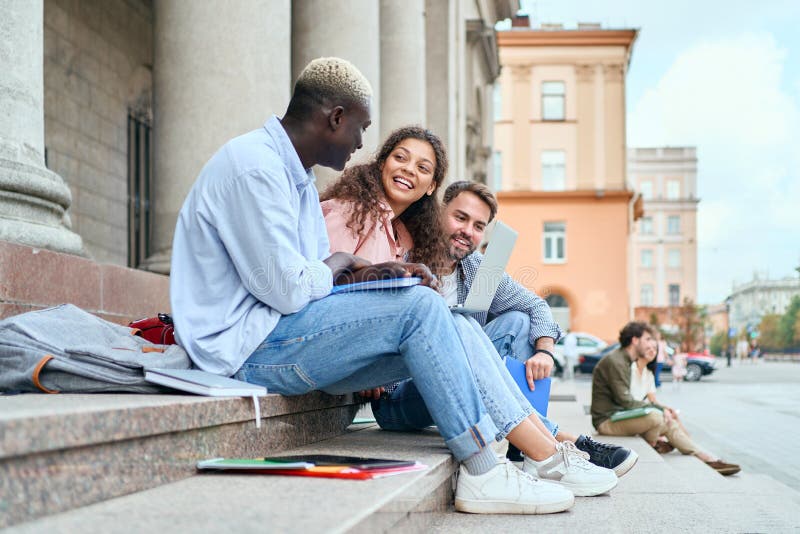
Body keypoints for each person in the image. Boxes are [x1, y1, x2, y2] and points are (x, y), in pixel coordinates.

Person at [171, 56, 579, 515]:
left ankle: (540, 451)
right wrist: (347, 263)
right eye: (361, 129)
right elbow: (286, 289)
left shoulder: (296, 177)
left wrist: (368, 275)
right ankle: (485, 470)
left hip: (281, 333)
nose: (362, 142)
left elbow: (309, 274)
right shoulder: (255, 168)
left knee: (449, 318)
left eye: (478, 225)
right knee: (423, 308)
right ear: (336, 117)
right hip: (247, 348)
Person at [323, 174, 637, 479]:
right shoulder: (405, 253)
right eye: (460, 218)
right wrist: (369, 364)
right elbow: (367, 310)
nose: (467, 231)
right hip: (399, 397)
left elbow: (538, 307)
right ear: (440, 213)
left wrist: (545, 352)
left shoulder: (477, 270)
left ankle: (523, 440)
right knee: (459, 328)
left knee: (518, 321)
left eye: (478, 226)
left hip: (458, 385)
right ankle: (560, 442)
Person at [591, 321, 740, 476]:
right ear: (635, 340)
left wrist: (662, 410)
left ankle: (704, 457)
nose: (652, 344)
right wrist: (660, 409)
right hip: (606, 422)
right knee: (656, 416)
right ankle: (655, 443)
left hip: (619, 416)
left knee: (667, 421)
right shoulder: (617, 361)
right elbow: (626, 401)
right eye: (648, 339)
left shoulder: (623, 360)